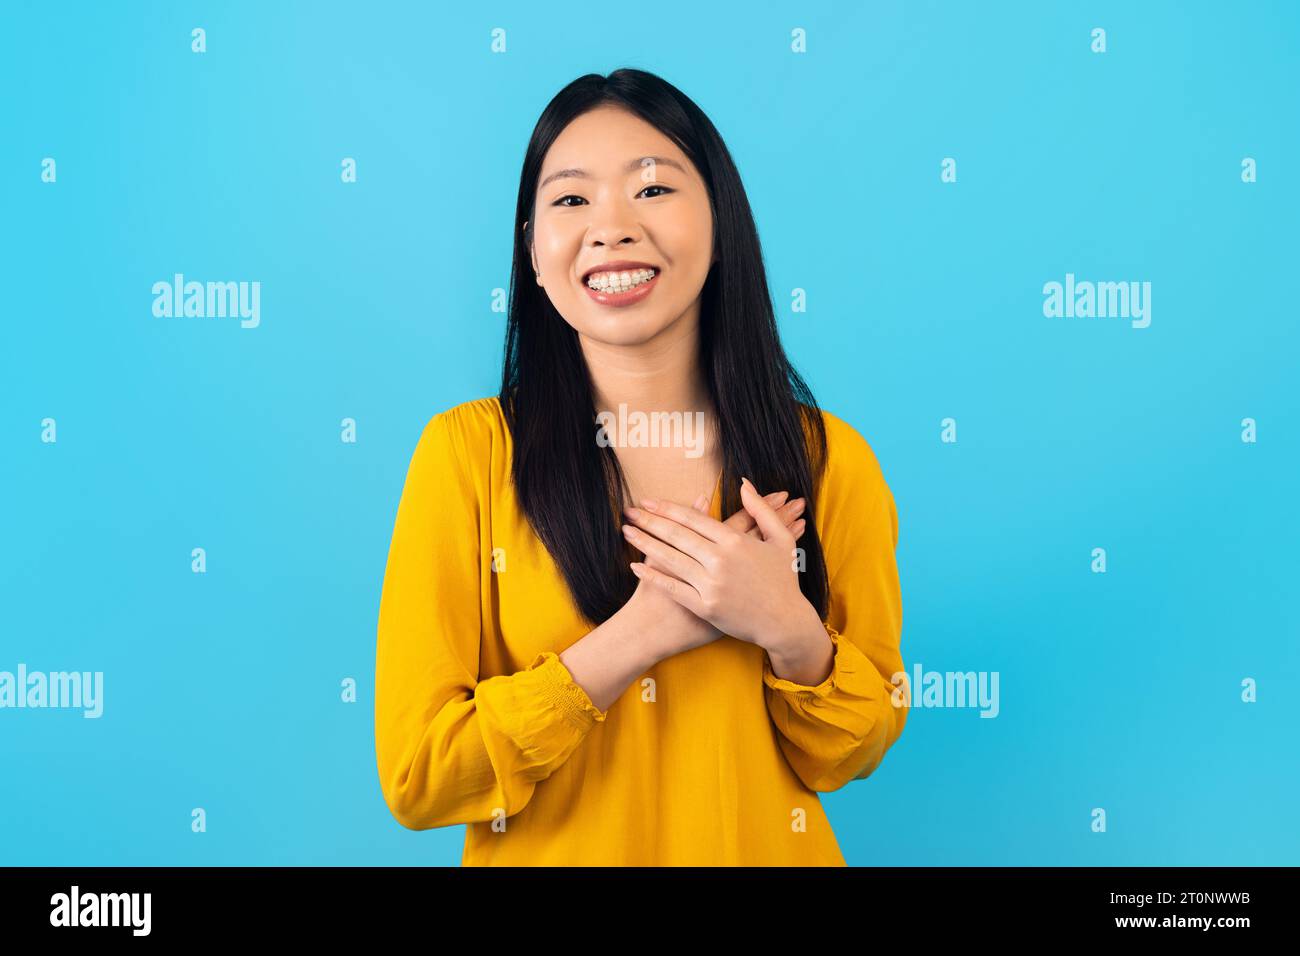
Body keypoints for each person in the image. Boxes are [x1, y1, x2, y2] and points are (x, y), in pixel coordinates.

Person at [374, 68, 909, 866]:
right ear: (533, 251)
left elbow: (850, 753)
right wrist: (640, 634)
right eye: (571, 199)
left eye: (653, 190)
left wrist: (790, 630)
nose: (611, 229)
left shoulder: (829, 461)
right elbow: (421, 776)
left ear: (721, 223)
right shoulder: (466, 456)